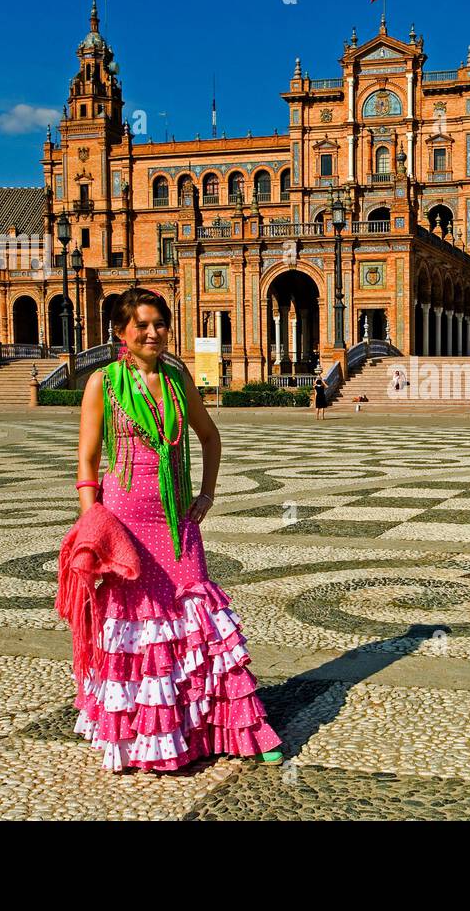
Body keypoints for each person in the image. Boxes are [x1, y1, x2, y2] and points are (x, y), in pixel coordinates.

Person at [71, 287, 284, 771]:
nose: (153, 333)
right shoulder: (102, 383)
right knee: (137, 623)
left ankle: (234, 729)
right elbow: (87, 460)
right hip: (124, 520)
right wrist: (93, 519)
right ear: (120, 332)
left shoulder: (176, 377)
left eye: (160, 324)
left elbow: (209, 435)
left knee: (198, 613)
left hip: (176, 518)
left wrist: (206, 494)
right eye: (142, 325)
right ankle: (148, 736)